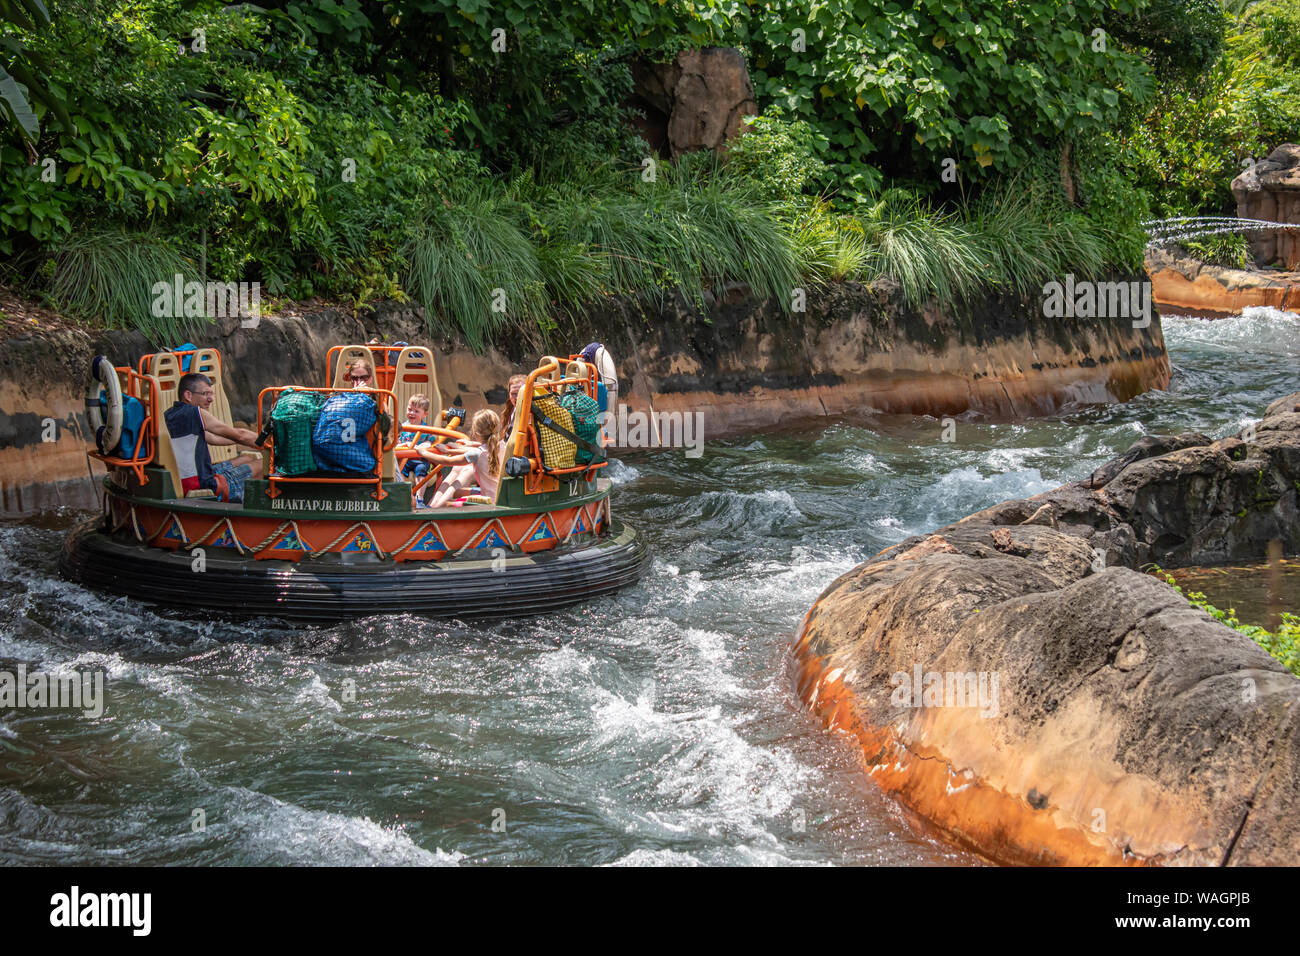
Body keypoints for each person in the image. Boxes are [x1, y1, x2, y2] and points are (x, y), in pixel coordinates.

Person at [164, 372, 263, 502]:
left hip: (186, 478)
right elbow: (240, 435)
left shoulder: (171, 414)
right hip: (203, 485)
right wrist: (270, 443)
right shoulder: (194, 413)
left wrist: (256, 442)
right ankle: (249, 509)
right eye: (205, 394)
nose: (211, 399)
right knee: (263, 464)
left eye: (211, 394)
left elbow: (215, 439)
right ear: (188, 395)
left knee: (246, 458)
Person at [425, 409, 502, 508]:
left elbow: (447, 461)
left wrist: (423, 452)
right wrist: (454, 450)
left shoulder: (477, 453)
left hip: (487, 504)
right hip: (499, 498)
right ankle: (433, 505)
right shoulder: (501, 446)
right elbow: (480, 450)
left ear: (476, 434)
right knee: (459, 488)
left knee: (452, 503)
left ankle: (435, 508)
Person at [397, 393, 434, 486]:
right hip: (405, 459)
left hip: (420, 460)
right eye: (409, 409)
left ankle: (419, 497)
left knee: (421, 469)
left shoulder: (426, 429)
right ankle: (406, 493)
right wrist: (404, 444)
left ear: (425, 414)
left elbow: (431, 440)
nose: (412, 413)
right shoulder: (402, 427)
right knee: (397, 470)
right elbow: (396, 442)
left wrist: (427, 443)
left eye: (416, 411)